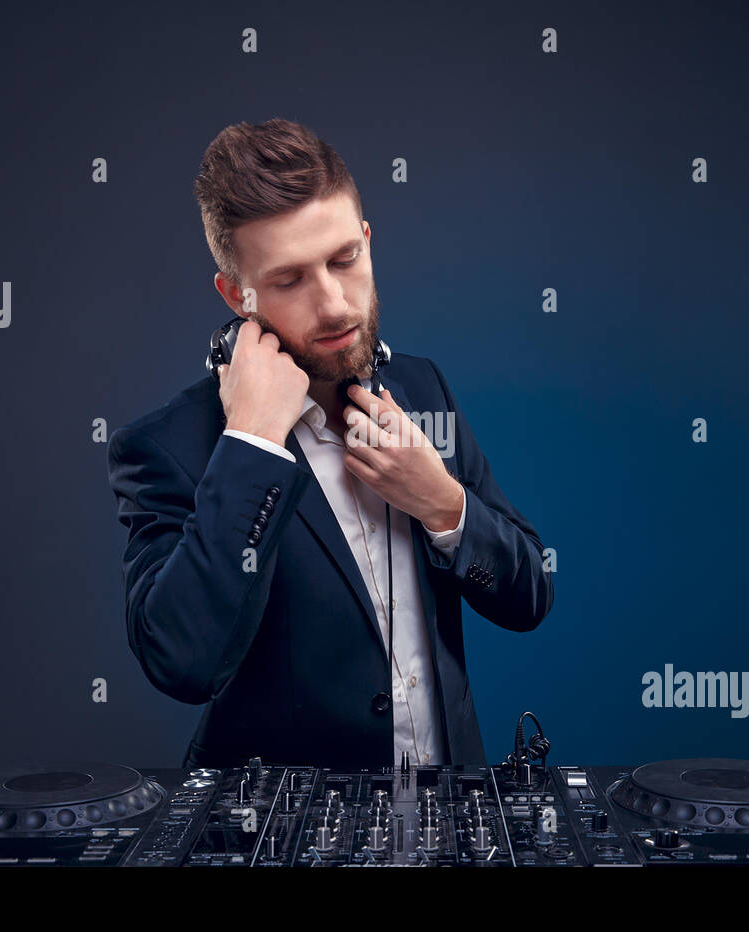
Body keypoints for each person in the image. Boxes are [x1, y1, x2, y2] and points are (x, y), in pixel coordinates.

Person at [107, 118, 553, 771]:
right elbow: (182, 663)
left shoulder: (421, 387)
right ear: (237, 295)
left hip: (449, 820)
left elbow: (529, 595)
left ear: (367, 240)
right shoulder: (167, 445)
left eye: (346, 259)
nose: (337, 304)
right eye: (290, 281)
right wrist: (253, 444)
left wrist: (444, 507)